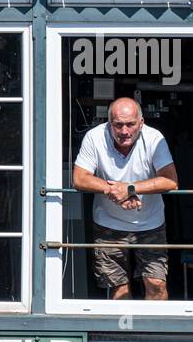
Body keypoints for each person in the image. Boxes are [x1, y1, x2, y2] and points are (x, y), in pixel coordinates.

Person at [72, 97, 178, 299]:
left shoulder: (154, 139)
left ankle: (153, 331)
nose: (124, 131)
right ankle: (124, 331)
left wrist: (129, 188)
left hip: (150, 223)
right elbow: (79, 178)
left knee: (156, 284)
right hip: (108, 223)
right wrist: (116, 192)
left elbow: (171, 181)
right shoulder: (94, 137)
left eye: (130, 124)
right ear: (109, 123)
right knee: (118, 289)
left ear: (141, 123)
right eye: (118, 125)